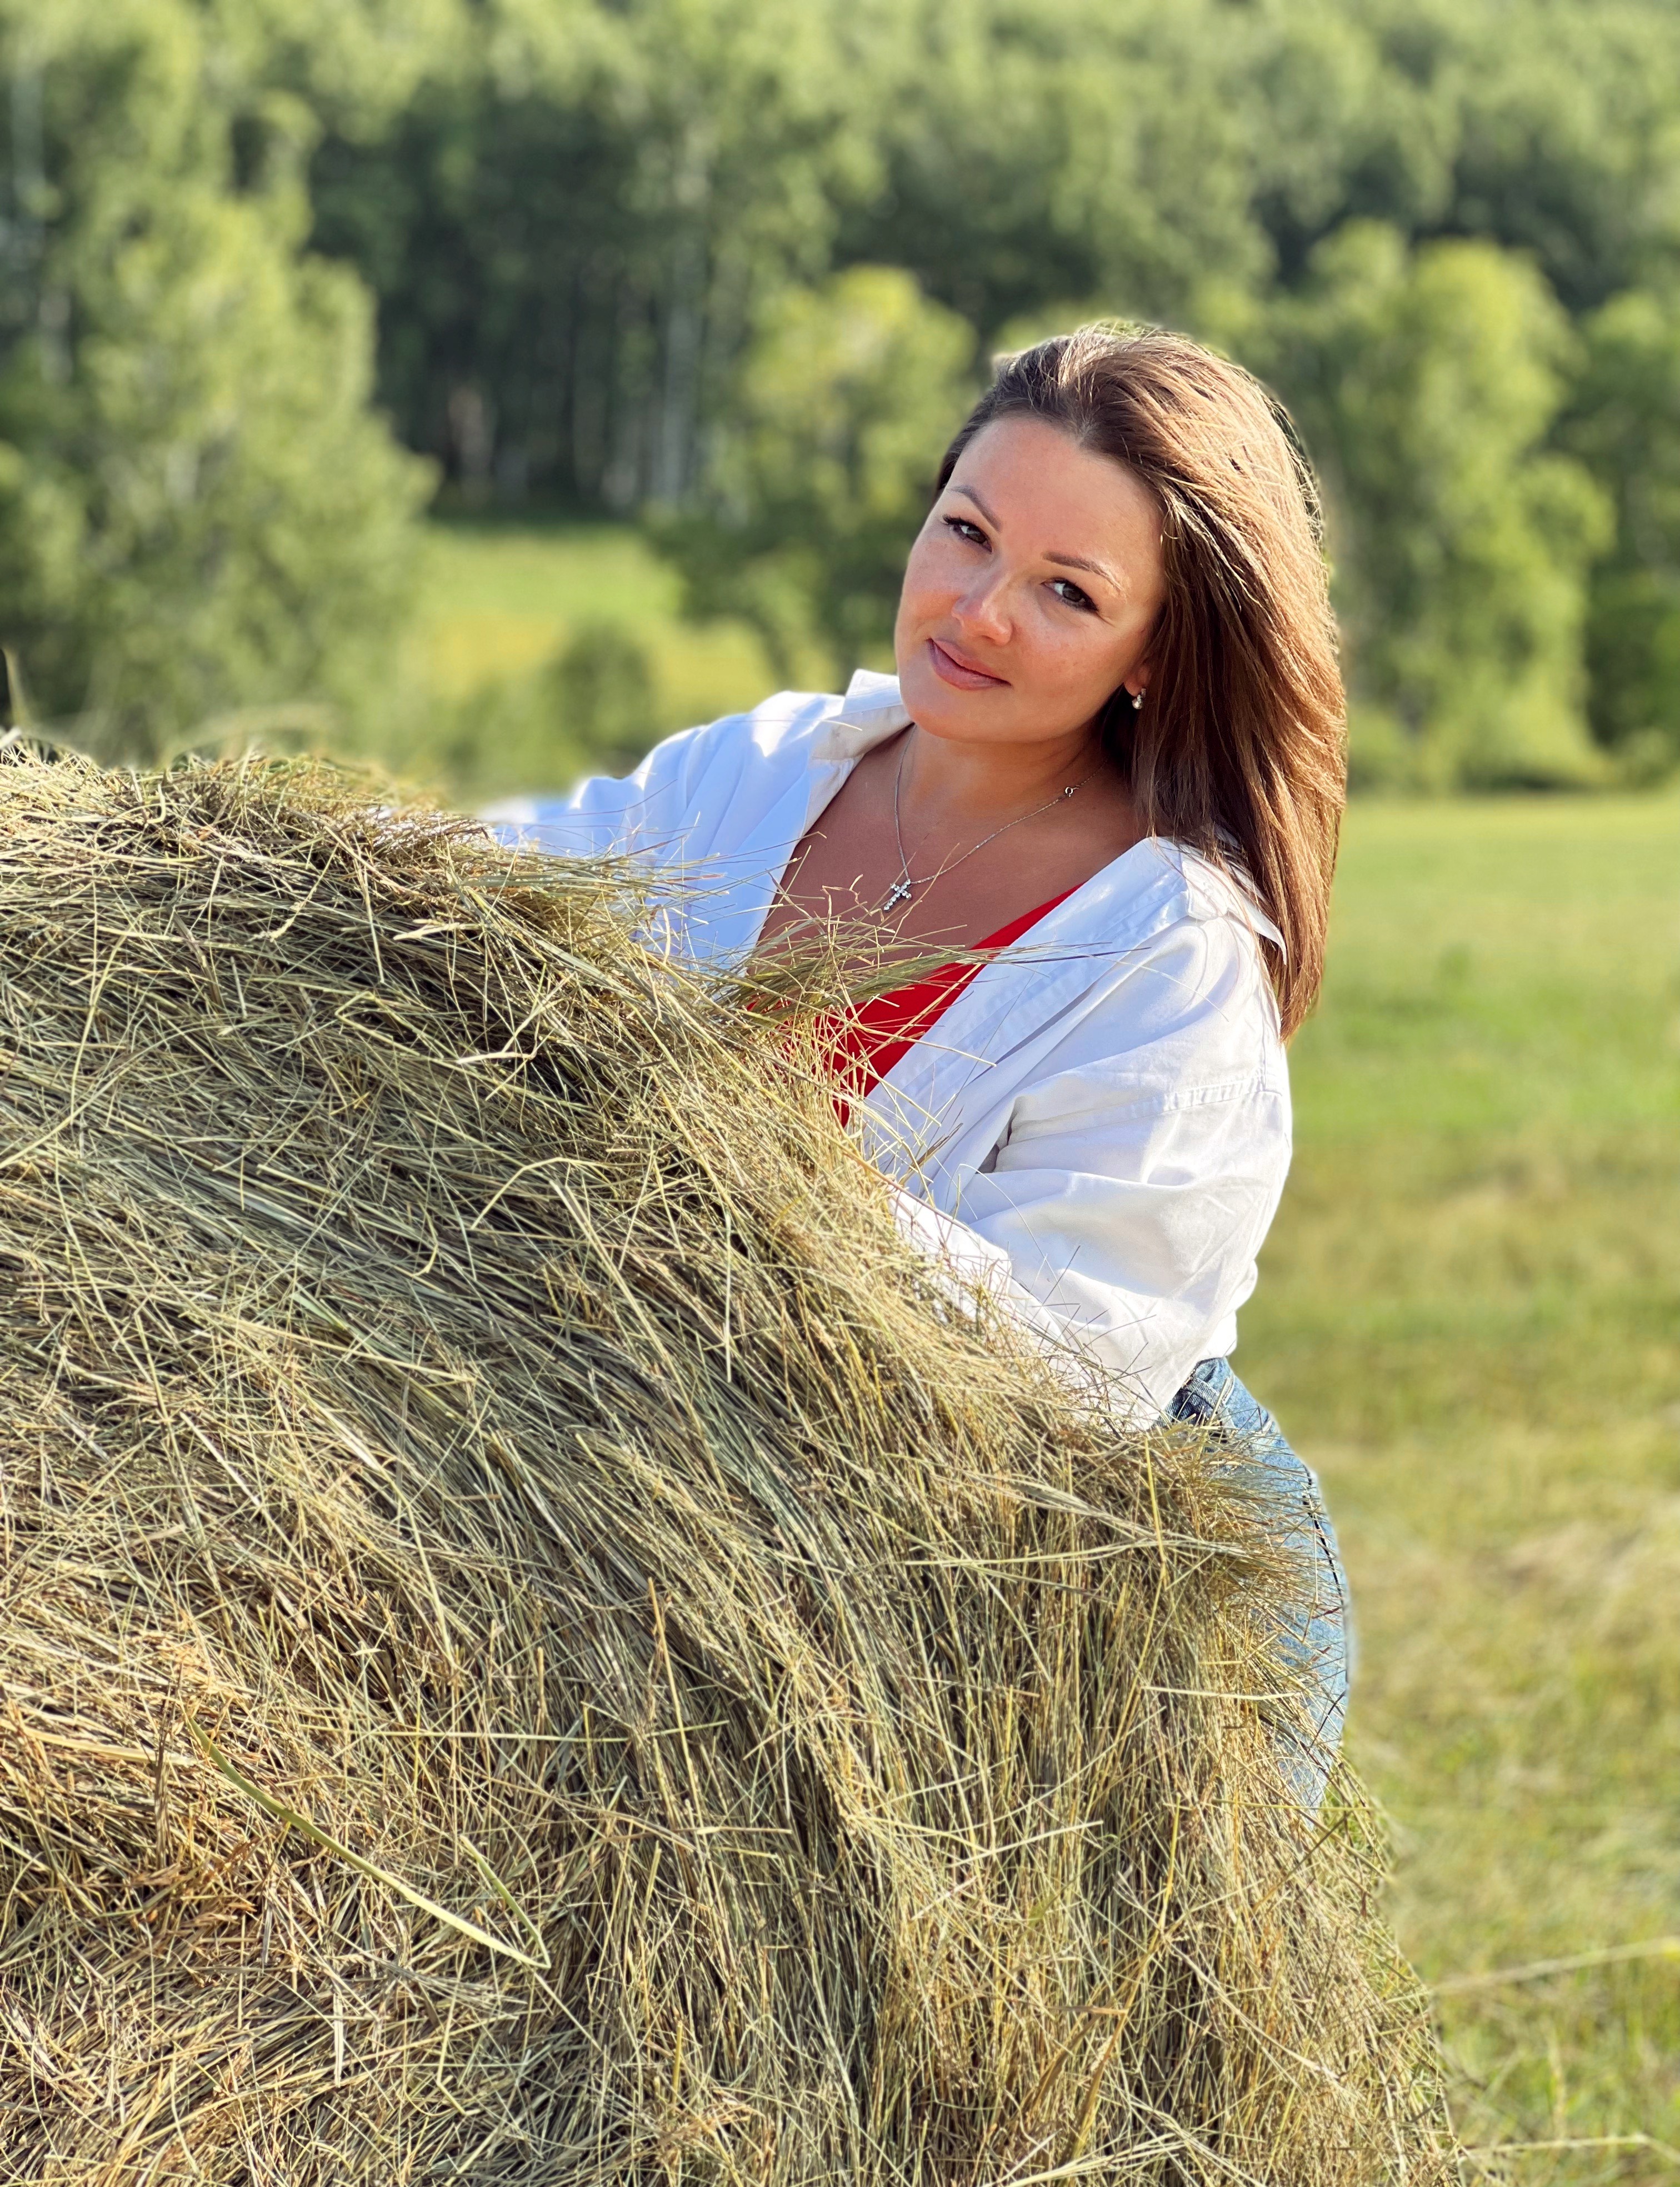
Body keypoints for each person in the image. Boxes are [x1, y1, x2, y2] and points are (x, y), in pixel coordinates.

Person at [484, 324, 1351, 1807]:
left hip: (1084, 1559)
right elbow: (484, 897)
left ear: (1156, 651)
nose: (981, 611)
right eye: (968, 533)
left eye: (1067, 594)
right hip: (715, 1465)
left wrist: (779, 1161)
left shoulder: (1172, 956)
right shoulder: (756, 772)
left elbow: (1088, 1364)